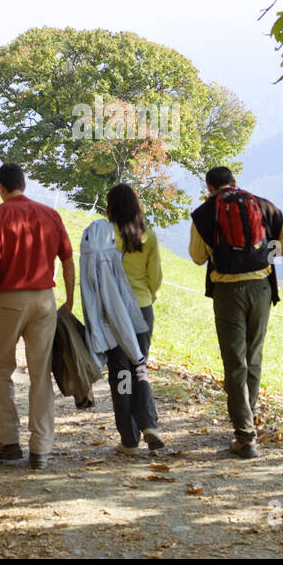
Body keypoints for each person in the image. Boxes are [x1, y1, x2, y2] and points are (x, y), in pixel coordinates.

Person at [188, 167, 283, 459]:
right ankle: (250, 419)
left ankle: (245, 435)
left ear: (209, 187)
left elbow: (198, 258)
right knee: (254, 358)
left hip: (227, 293)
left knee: (235, 362)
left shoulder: (204, 213)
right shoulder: (265, 206)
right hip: (261, 289)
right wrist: (261, 257)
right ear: (235, 183)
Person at [0, 162, 75, 470]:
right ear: (24, 184)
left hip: (10, 298)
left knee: (1, 370)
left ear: (1, 188)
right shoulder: (51, 214)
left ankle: (9, 442)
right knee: (40, 373)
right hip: (45, 300)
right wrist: (70, 299)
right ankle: (41, 448)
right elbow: (69, 260)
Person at [100, 182, 163, 455]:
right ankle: (149, 424)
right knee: (139, 367)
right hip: (142, 309)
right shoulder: (148, 235)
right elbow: (156, 277)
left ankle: (129, 438)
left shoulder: (103, 235)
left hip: (114, 313)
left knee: (121, 372)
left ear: (111, 206)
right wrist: (149, 297)